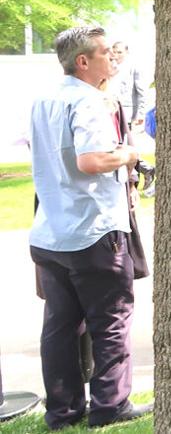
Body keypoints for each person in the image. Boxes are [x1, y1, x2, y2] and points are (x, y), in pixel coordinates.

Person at [28, 26, 152, 429]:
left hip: (51, 229)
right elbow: (90, 160)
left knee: (60, 325)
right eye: (104, 53)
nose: (112, 59)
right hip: (93, 229)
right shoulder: (89, 102)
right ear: (83, 61)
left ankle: (62, 411)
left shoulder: (44, 98)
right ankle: (109, 405)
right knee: (111, 320)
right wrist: (128, 154)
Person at [109, 41, 147, 129]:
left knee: (124, 139)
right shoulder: (108, 66)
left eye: (119, 52)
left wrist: (141, 114)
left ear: (126, 52)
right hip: (110, 109)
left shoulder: (134, 67)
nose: (116, 55)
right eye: (114, 52)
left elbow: (142, 92)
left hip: (126, 111)